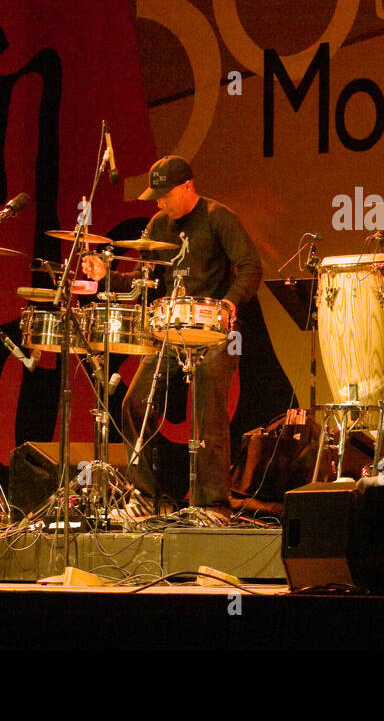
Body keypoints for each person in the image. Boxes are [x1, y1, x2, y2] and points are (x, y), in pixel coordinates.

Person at [82, 156, 261, 514]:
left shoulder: (217, 218)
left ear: (187, 187)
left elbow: (250, 266)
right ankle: (147, 497)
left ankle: (214, 504)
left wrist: (228, 304)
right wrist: (106, 276)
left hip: (215, 331)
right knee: (134, 403)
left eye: (165, 194)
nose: (159, 202)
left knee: (208, 409)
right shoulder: (158, 225)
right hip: (170, 331)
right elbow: (141, 283)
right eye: (156, 196)